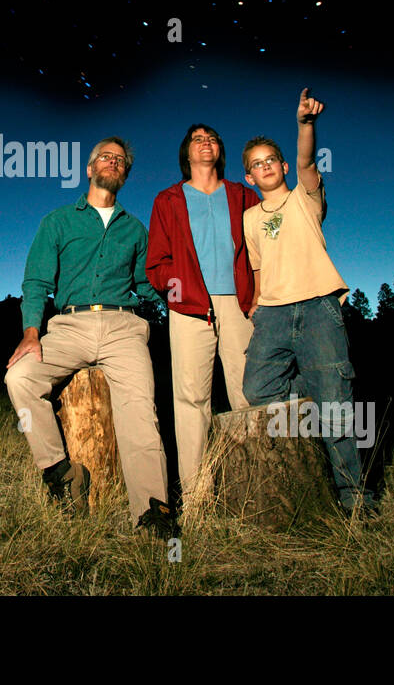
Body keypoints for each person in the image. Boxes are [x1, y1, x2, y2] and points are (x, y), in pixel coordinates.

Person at [5, 137, 177, 537]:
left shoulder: (135, 229)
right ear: (89, 168)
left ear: (125, 173)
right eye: (105, 156)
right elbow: (35, 282)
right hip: (69, 327)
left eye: (120, 160)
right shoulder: (58, 221)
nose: (112, 162)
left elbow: (146, 284)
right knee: (20, 377)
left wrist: (183, 300)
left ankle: (152, 511)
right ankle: (61, 473)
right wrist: (31, 332)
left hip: (123, 328)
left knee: (140, 411)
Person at [241, 89, 376, 514]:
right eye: (255, 165)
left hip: (318, 306)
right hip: (275, 315)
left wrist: (305, 125)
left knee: (335, 406)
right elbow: (259, 268)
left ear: (281, 167)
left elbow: (305, 161)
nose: (265, 168)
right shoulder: (249, 218)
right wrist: (257, 303)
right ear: (249, 177)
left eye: (270, 161)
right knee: (257, 388)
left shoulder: (305, 196)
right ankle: (316, 397)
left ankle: (355, 499)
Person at [146, 124, 260, 502]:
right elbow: (156, 262)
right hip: (189, 307)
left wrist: (258, 293)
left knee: (247, 394)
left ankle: (255, 491)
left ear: (219, 151)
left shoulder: (243, 195)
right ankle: (197, 497)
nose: (205, 143)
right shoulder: (168, 200)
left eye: (212, 138)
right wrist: (181, 291)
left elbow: (262, 249)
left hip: (239, 303)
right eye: (197, 139)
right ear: (187, 153)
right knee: (191, 400)